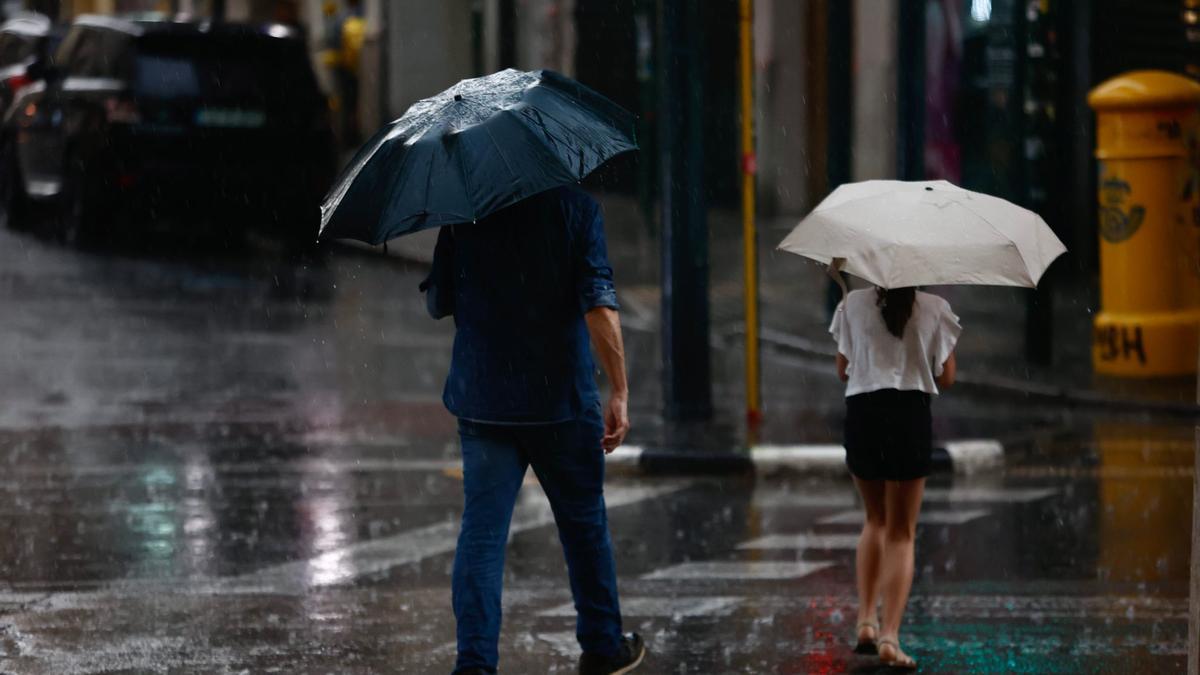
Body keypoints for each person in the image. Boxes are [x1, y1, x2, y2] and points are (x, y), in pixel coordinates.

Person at [421, 186, 645, 675]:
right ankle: (603, 646)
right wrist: (620, 389)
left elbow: (439, 301)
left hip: (484, 401)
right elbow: (598, 305)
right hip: (559, 399)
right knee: (583, 525)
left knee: (481, 535)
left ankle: (475, 663)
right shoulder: (578, 210)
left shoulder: (467, 209)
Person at [829, 286, 961, 671]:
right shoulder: (935, 308)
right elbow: (947, 376)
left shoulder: (852, 303)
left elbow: (842, 370)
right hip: (910, 414)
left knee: (875, 519)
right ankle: (890, 635)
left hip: (863, 413)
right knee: (902, 532)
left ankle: (866, 619)